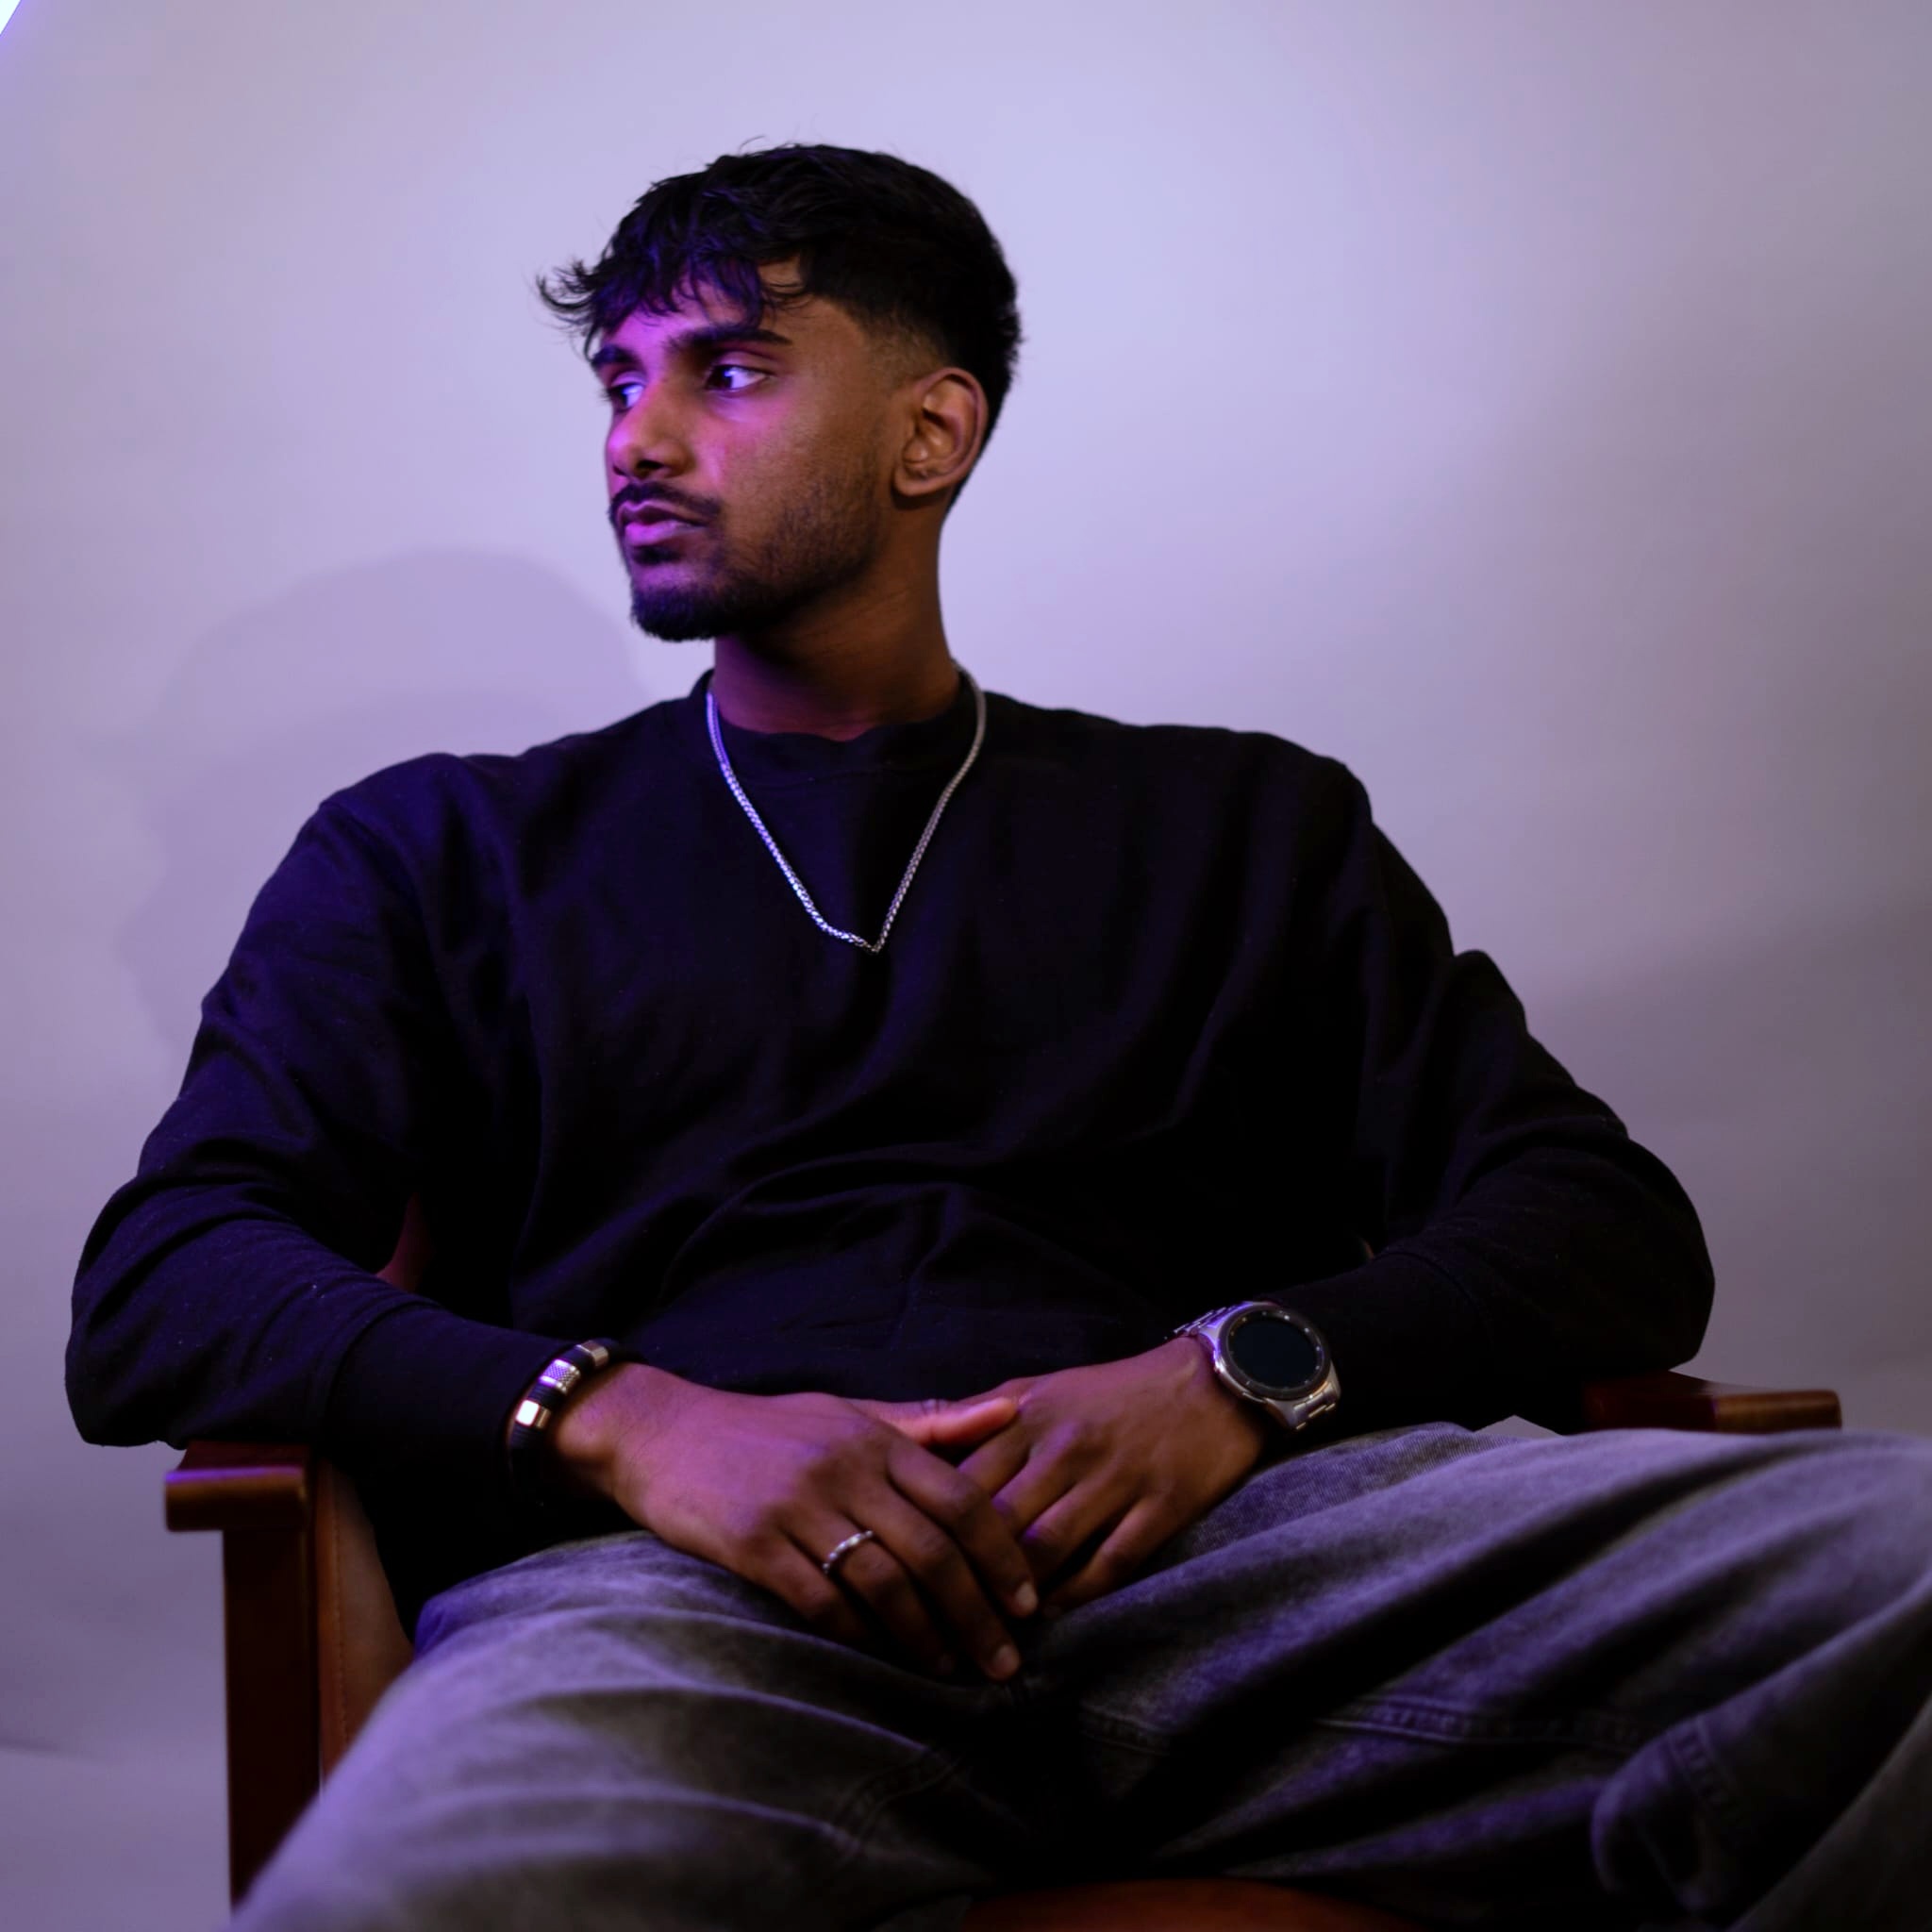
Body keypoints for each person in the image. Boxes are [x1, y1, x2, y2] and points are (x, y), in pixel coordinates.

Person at [67, 143, 1932, 1932]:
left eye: (726, 370)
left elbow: (1603, 1225)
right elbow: (166, 1276)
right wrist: (625, 1421)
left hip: (1265, 1578)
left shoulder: (1239, 828)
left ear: (929, 433)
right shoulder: (437, 852)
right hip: (689, 1613)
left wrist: (1235, 1380)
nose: (636, 437)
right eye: (619, 381)